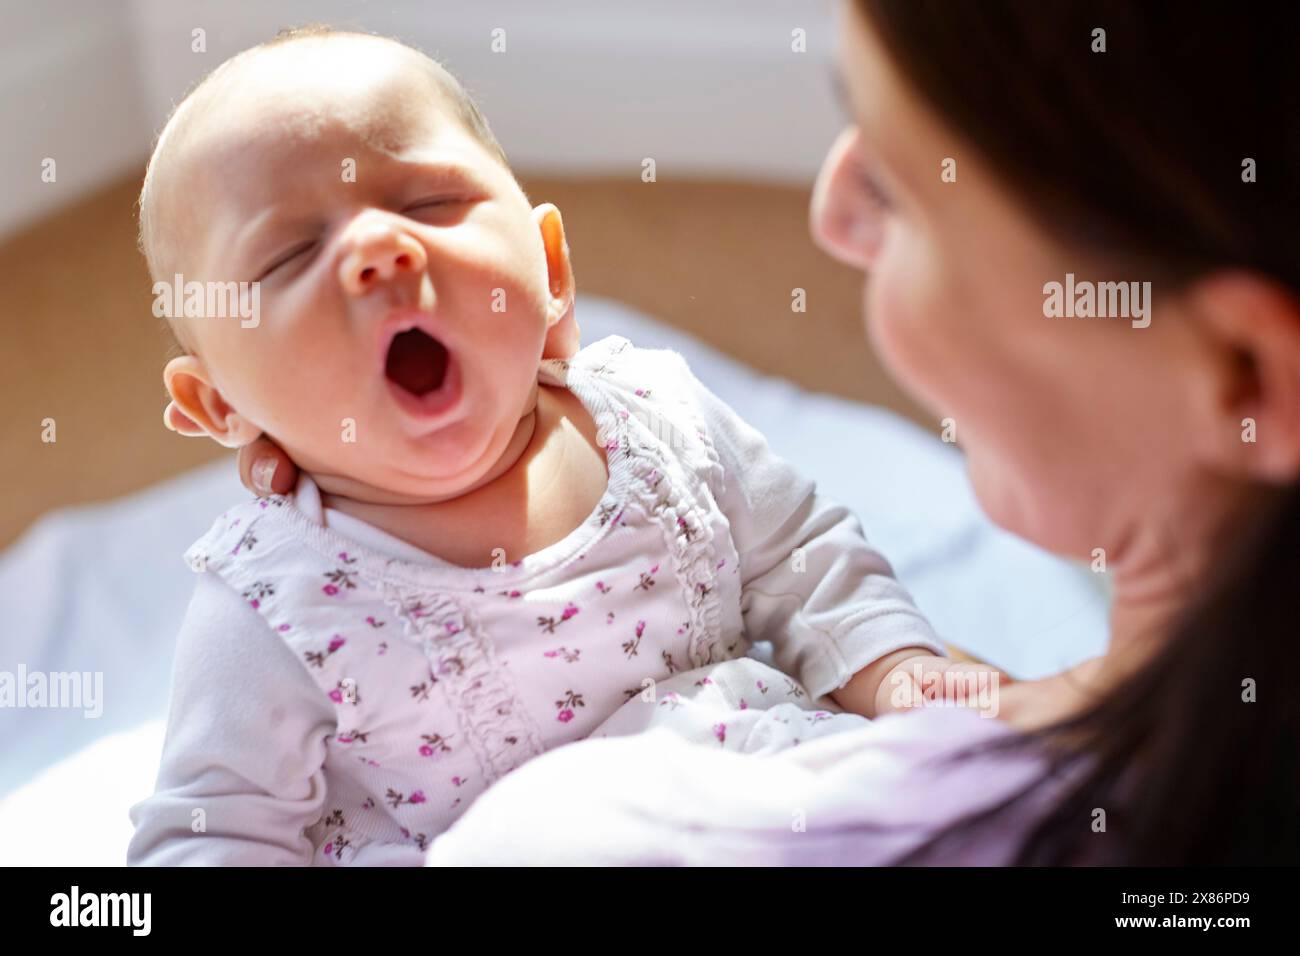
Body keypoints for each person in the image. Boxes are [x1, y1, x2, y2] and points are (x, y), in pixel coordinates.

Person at [128, 25, 997, 866]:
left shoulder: (658, 418)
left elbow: (803, 558)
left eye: (428, 201)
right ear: (218, 403)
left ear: (550, 268)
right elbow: (209, 831)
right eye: (288, 255)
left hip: (762, 807)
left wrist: (901, 676)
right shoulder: (274, 609)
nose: (379, 251)